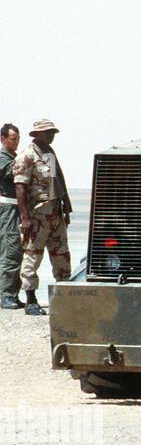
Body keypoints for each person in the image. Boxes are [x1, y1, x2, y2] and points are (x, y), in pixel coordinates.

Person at [13, 119, 72, 316]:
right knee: (32, 256)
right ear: (36, 134)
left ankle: (64, 299)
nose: (51, 135)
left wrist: (66, 206)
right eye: (47, 132)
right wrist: (25, 218)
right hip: (37, 216)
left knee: (61, 255)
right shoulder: (27, 156)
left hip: (55, 214)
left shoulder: (49, 153)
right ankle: (31, 299)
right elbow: (20, 187)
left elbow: (58, 180)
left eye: (52, 132)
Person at [0, 123, 22, 309]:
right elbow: (11, 172)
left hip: (16, 209)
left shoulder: (13, 157)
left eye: (17, 139)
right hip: (9, 209)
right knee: (11, 250)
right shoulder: (3, 158)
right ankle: (6, 295)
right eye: (13, 139)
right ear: (3, 139)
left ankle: (11, 294)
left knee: (16, 251)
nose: (16, 142)